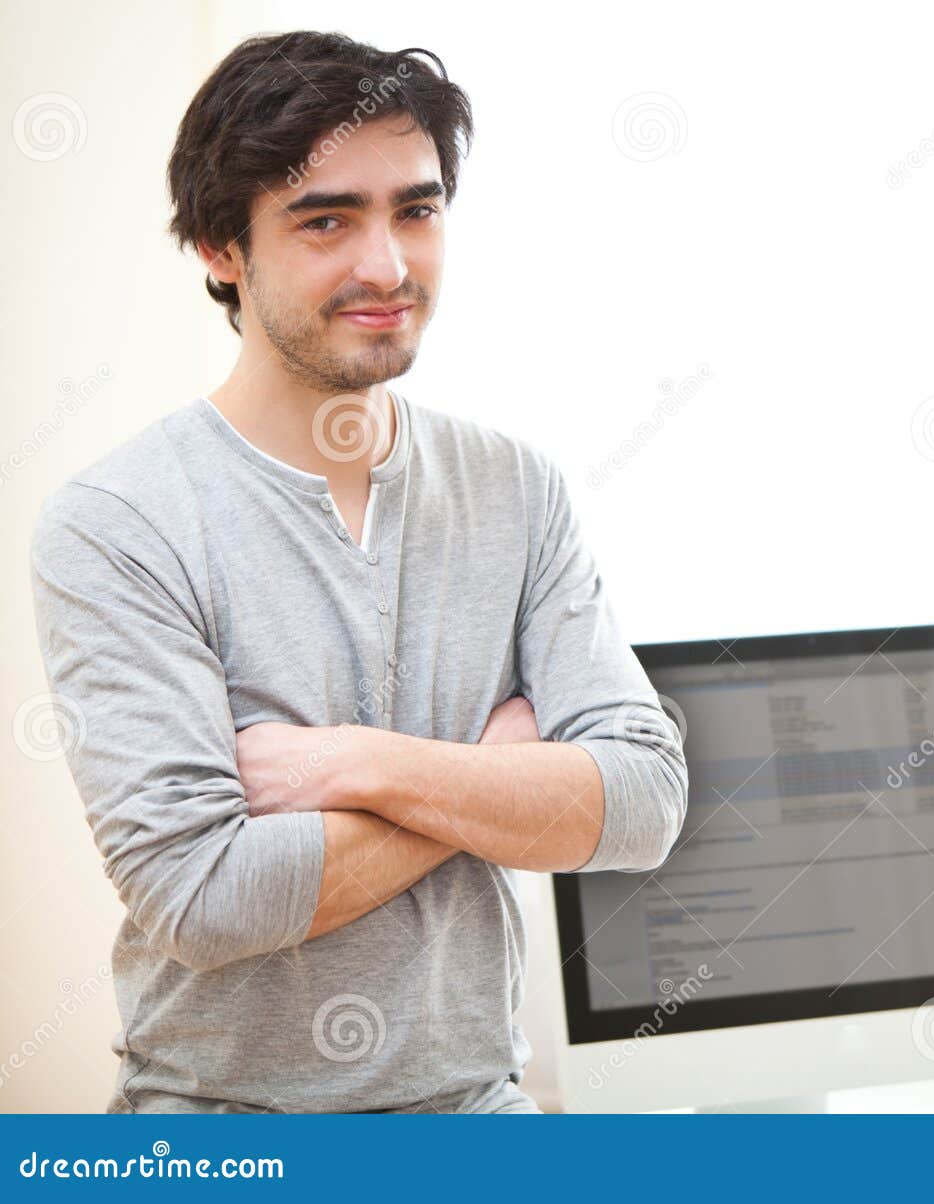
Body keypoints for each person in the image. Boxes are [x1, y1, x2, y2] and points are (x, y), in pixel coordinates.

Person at [26, 31, 686, 1114]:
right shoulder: (119, 524)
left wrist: (356, 763)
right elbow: (203, 896)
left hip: (484, 1117)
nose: (386, 265)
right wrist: (485, 776)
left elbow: (644, 803)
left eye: (415, 211)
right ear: (218, 247)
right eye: (326, 218)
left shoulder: (517, 489)